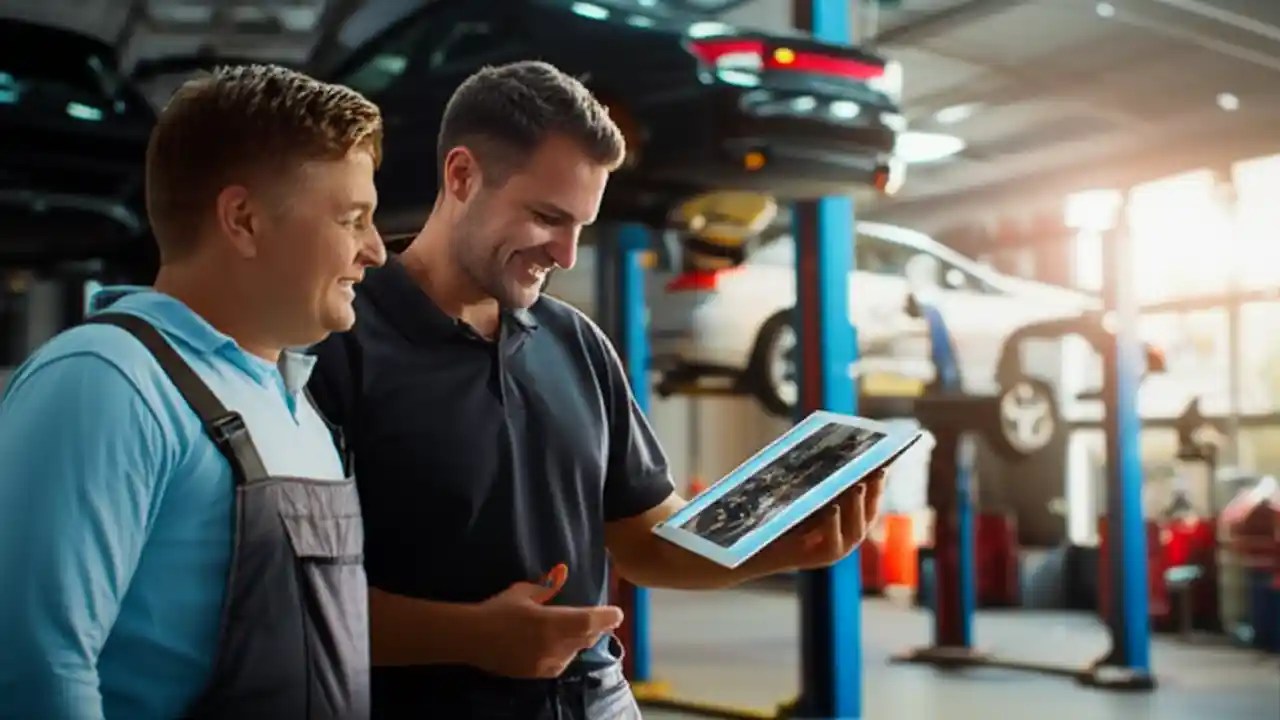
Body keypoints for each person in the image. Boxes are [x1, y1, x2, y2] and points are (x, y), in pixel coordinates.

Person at [307, 60, 885, 719]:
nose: (566, 254)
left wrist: (770, 547)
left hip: (596, 700)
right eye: (546, 217)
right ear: (462, 175)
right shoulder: (336, 341)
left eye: (580, 225)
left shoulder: (576, 343)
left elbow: (644, 538)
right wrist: (471, 637)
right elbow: (286, 598)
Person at [0, 64, 387, 720]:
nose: (375, 250)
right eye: (352, 219)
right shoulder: (109, 382)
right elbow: (35, 667)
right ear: (243, 220)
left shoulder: (296, 405)